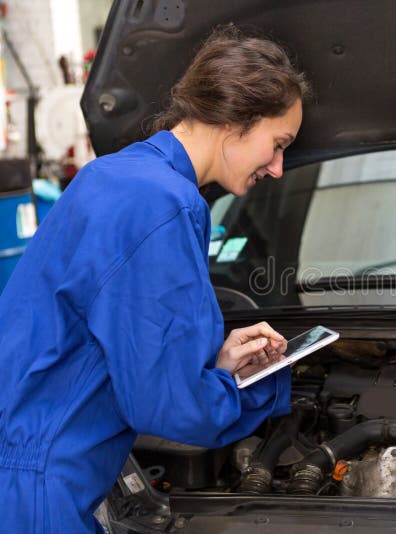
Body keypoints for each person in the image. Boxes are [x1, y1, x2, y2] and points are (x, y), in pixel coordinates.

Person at [0, 27, 309, 532]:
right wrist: (261, 384)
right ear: (234, 119)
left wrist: (214, 363)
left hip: (27, 466)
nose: (277, 167)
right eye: (278, 145)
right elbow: (171, 406)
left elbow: (108, 339)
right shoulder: (162, 205)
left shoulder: (118, 174)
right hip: (38, 488)